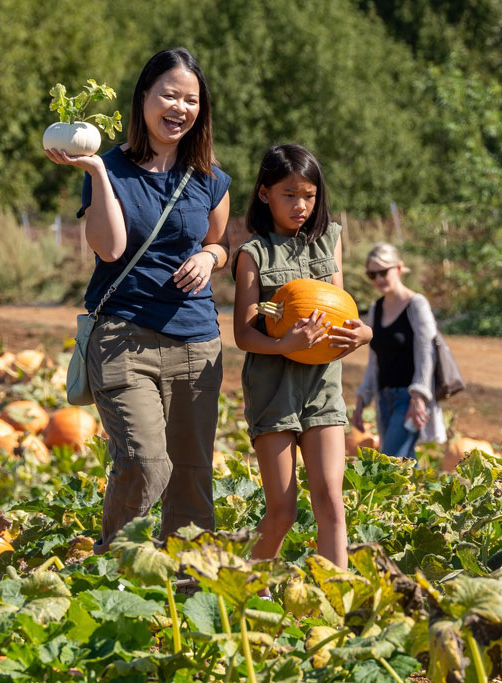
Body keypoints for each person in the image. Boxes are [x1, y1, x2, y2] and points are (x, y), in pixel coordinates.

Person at [45, 48, 230, 552]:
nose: (180, 108)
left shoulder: (209, 176)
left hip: (196, 342)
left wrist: (210, 257)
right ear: (144, 97)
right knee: (145, 464)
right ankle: (114, 563)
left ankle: (186, 582)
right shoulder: (108, 168)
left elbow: (220, 243)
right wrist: (98, 174)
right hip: (124, 339)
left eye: (191, 100)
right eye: (169, 95)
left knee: (192, 475)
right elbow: (109, 248)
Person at [232, 144, 372, 568]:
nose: (300, 206)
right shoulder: (253, 255)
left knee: (331, 500)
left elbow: (343, 310)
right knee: (283, 511)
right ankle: (245, 587)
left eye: (308, 196)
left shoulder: (330, 239)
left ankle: (336, 596)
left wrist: (363, 333)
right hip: (273, 388)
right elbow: (243, 334)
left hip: (322, 384)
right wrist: (283, 345)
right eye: (289, 194)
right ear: (264, 194)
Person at [352, 243, 446, 460]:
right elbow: (374, 360)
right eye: (372, 275)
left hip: (408, 398)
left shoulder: (416, 305)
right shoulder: (376, 308)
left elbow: (427, 353)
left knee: (389, 462)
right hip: (384, 398)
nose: (378, 279)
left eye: (383, 272)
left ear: (399, 268)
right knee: (404, 463)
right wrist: (363, 398)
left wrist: (419, 396)